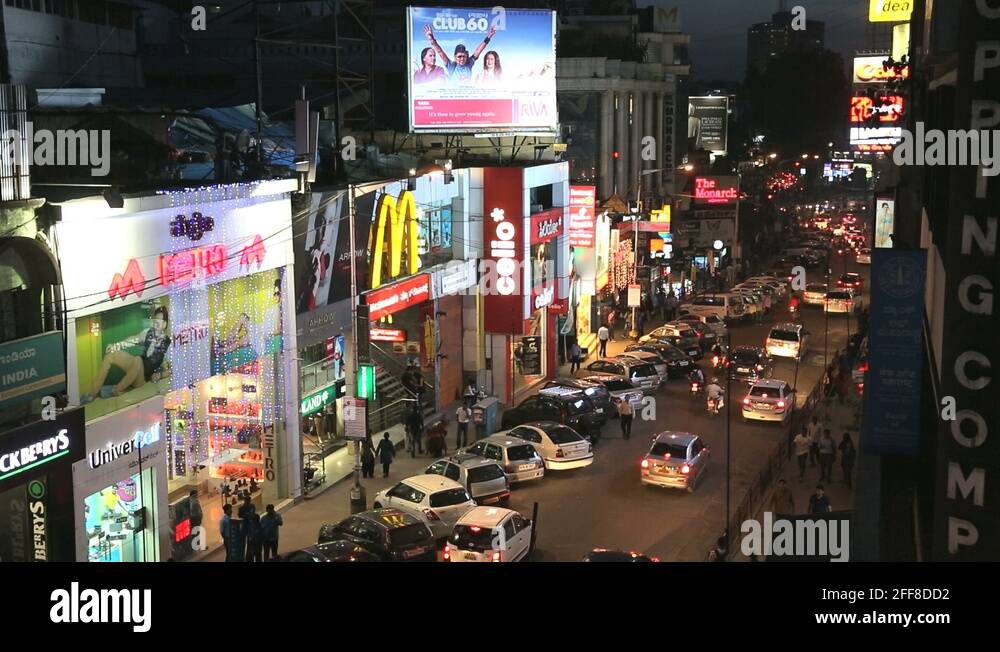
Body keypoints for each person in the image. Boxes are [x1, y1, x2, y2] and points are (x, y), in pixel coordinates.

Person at [81, 305, 171, 403]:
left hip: (143, 378)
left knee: (137, 360)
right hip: (137, 366)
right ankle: (92, 394)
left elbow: (171, 368)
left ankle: (116, 390)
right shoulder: (147, 332)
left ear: (165, 324)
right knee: (112, 354)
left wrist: (161, 375)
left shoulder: (167, 343)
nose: (156, 323)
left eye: (159, 321)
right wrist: (116, 346)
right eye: (155, 320)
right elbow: (133, 339)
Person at [423, 23, 496, 86]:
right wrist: (431, 39)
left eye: (464, 56)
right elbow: (440, 53)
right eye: (459, 56)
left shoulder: (469, 64)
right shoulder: (451, 66)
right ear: (455, 57)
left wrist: (489, 37)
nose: (462, 59)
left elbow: (478, 50)